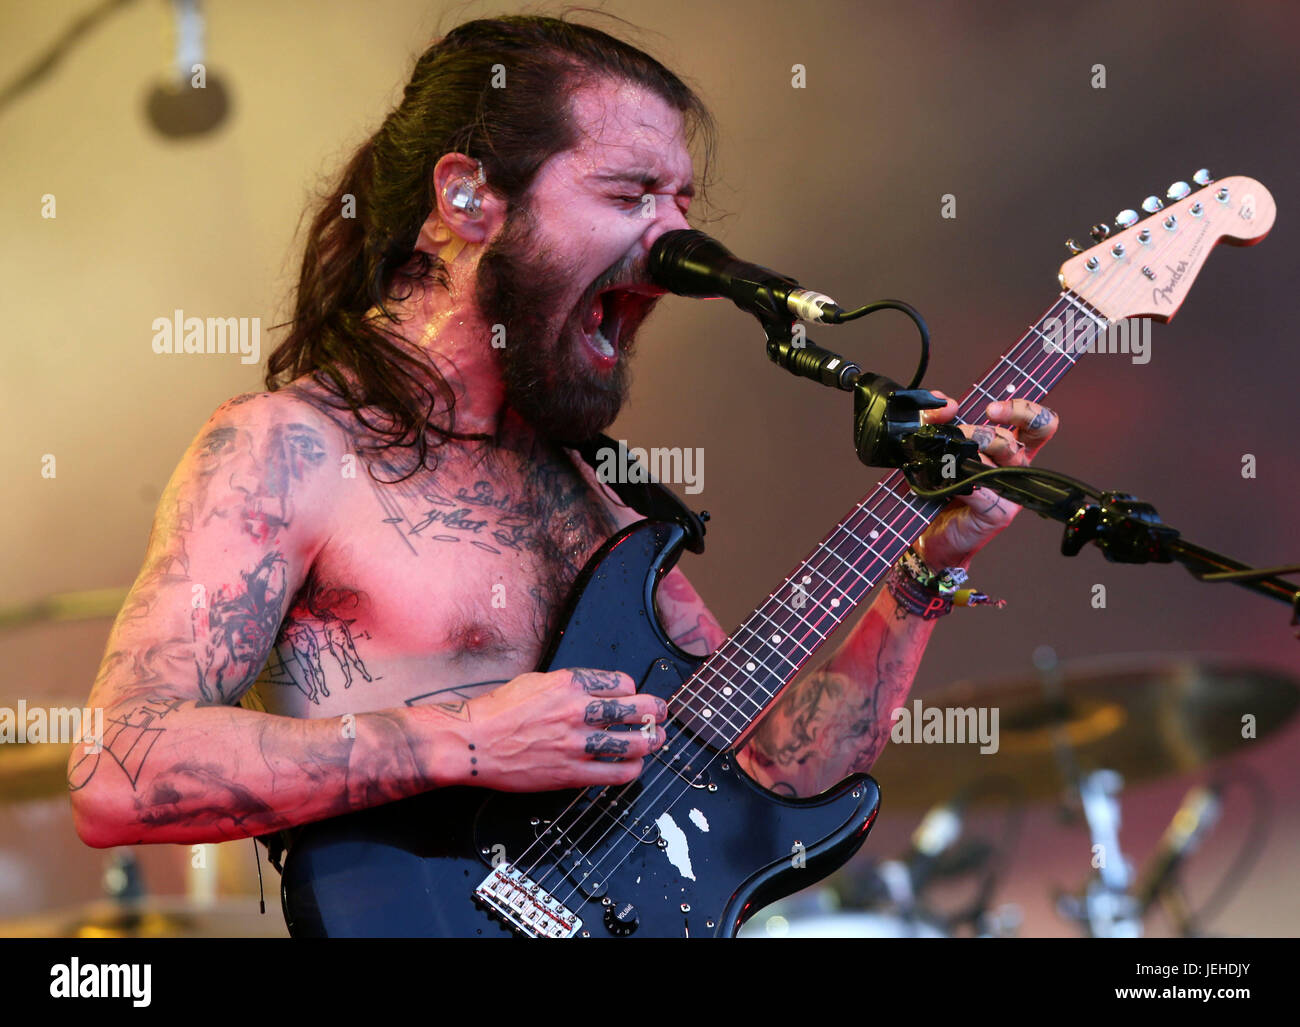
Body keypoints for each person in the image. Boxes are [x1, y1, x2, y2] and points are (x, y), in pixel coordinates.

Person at [69, 15, 1057, 852]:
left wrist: (924, 573)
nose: (670, 247)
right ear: (466, 200)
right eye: (628, 197)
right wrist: (469, 739)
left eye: (680, 205)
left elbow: (764, 766)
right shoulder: (288, 447)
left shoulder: (602, 496)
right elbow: (120, 771)